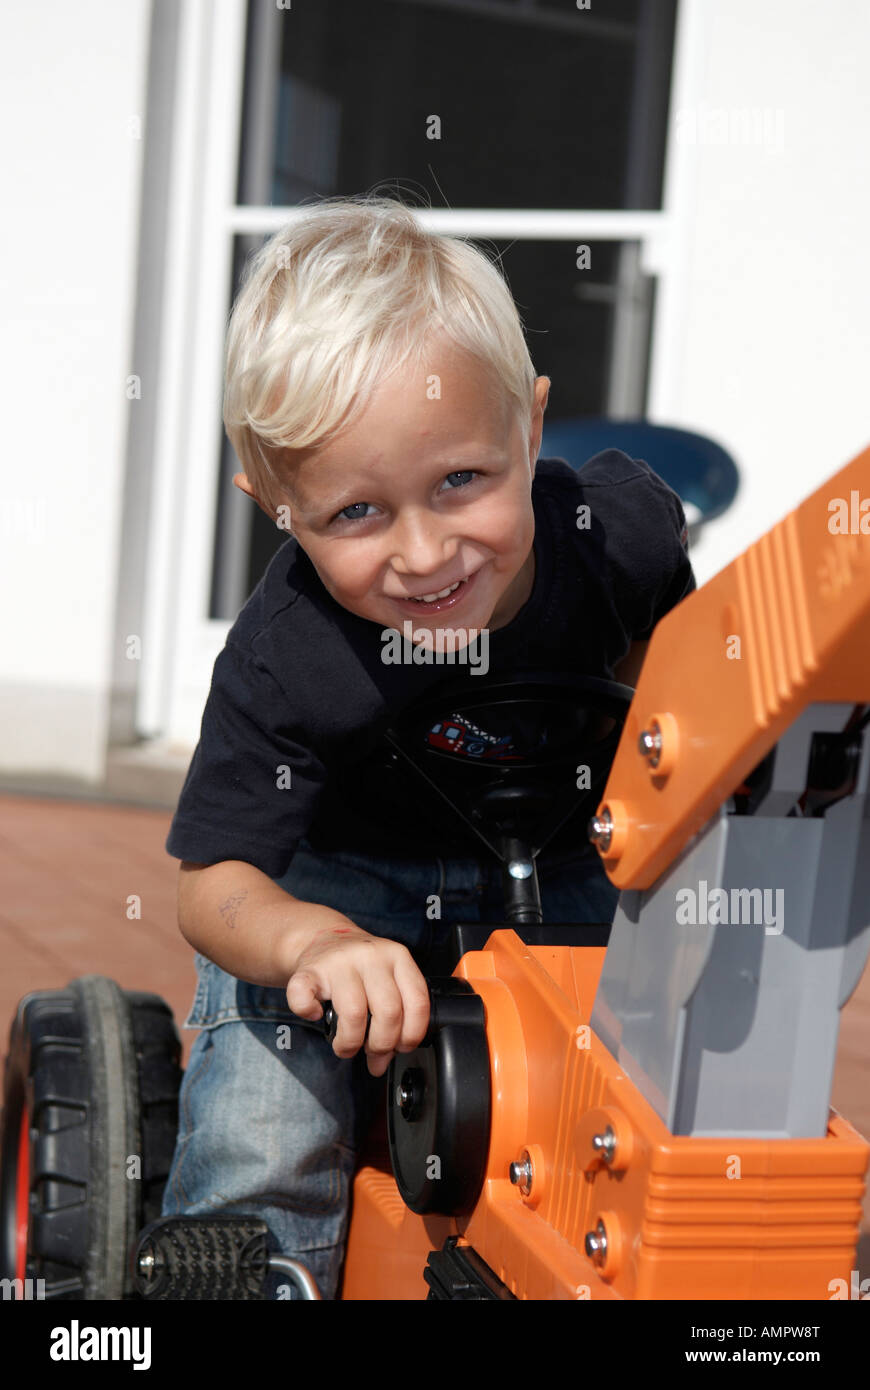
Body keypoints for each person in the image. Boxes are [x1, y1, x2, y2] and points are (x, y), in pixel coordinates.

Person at [161, 195, 696, 1299]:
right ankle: (251, 1271)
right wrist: (307, 940)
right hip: (340, 886)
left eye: (463, 480)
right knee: (270, 1105)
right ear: (276, 506)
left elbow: (684, 689)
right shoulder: (286, 652)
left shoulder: (621, 543)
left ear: (532, 428)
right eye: (357, 513)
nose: (424, 550)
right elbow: (212, 886)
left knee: (654, 1078)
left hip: (557, 863)